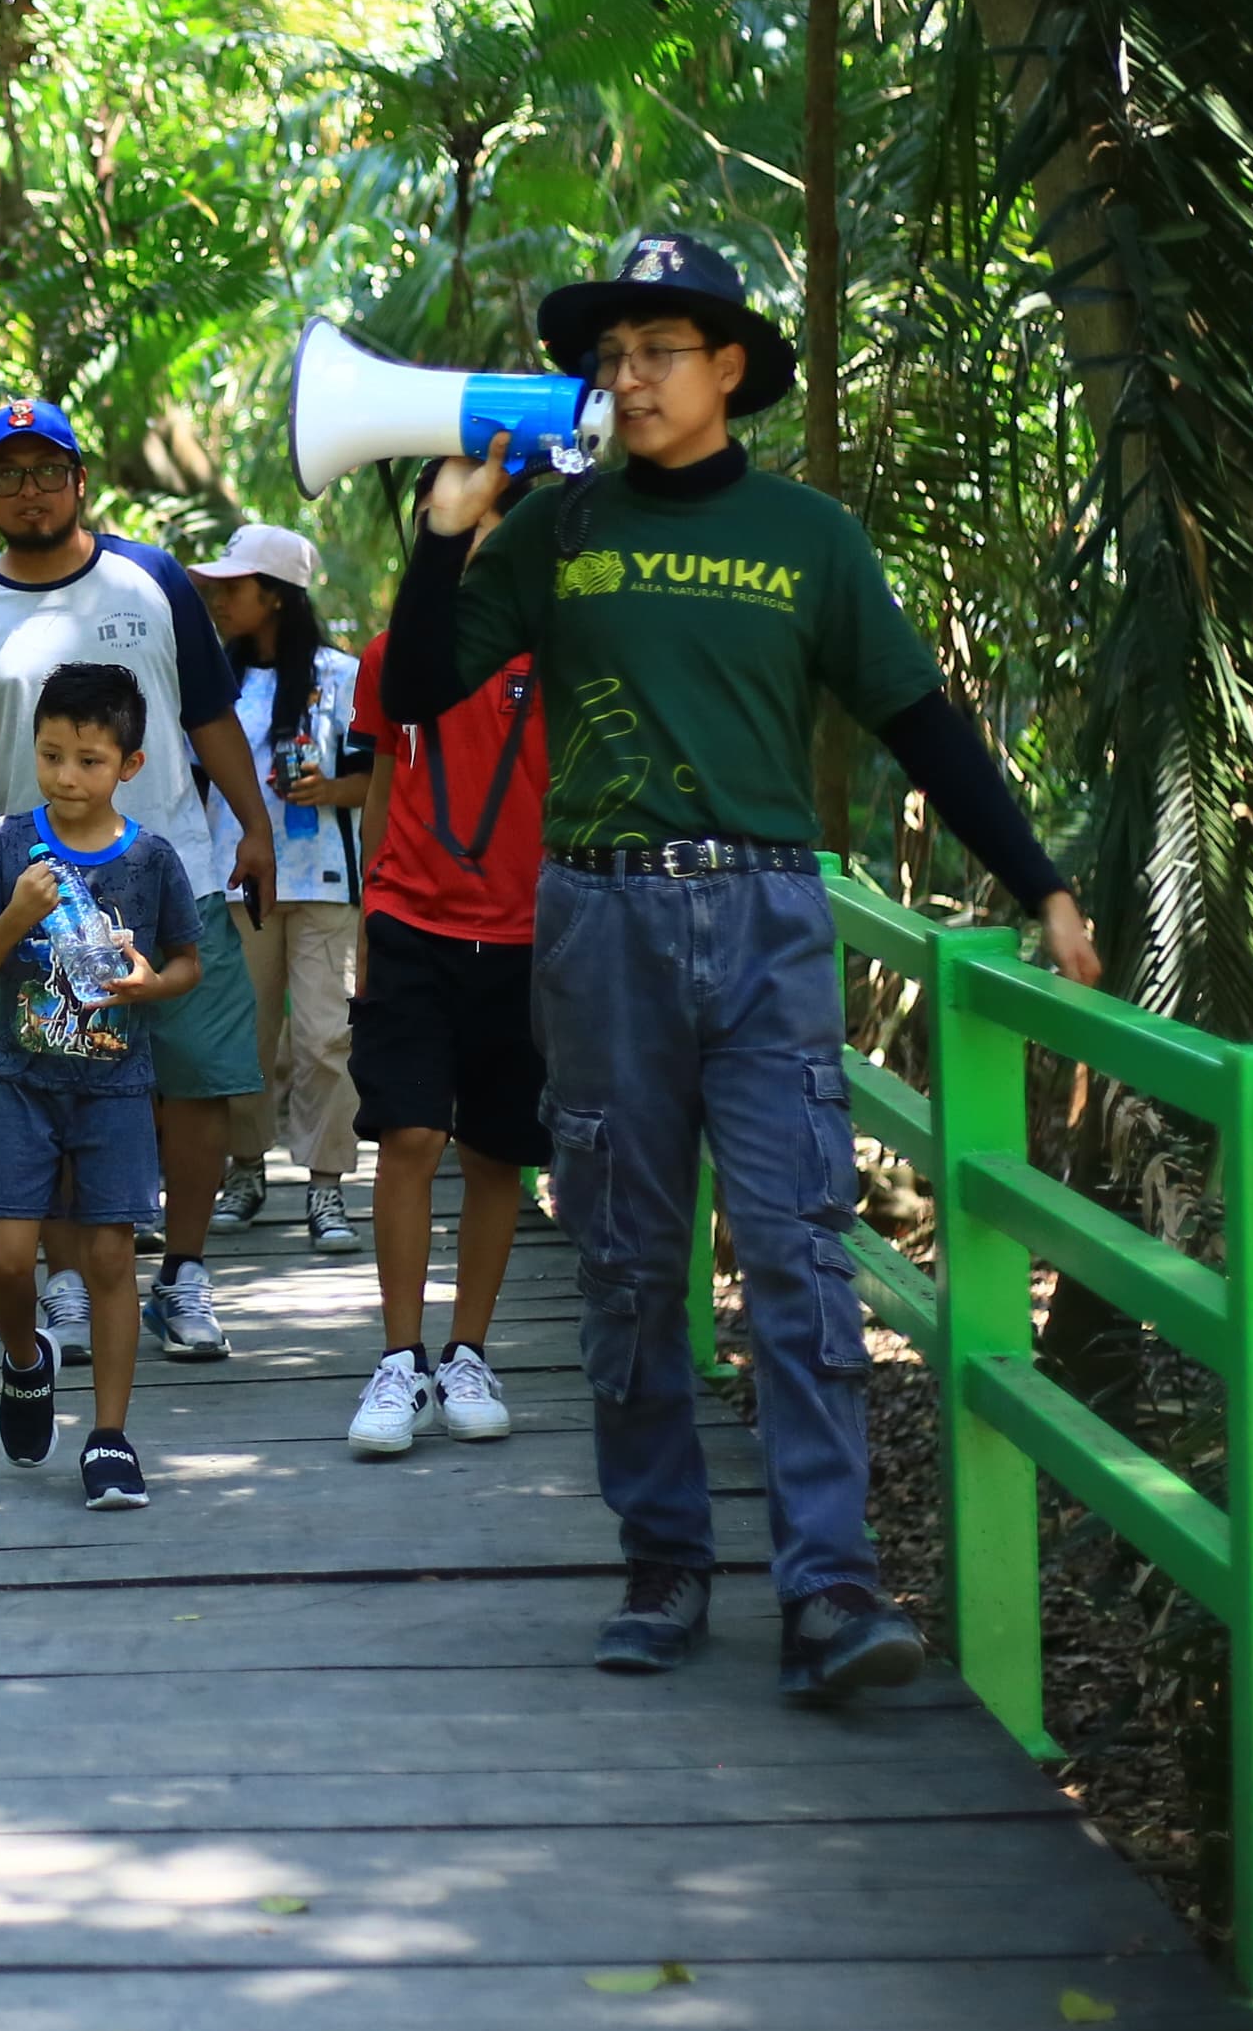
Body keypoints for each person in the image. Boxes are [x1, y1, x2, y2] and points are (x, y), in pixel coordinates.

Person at [404, 229, 1104, 1703]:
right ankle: (663, 1565)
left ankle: (831, 1591)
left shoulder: (808, 537)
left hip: (768, 914)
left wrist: (1034, 878)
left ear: (730, 368)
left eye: (663, 349)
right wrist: (442, 533)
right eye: (615, 351)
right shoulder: (558, 529)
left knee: (793, 1247)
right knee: (625, 1254)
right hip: (598, 920)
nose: (631, 374)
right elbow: (414, 690)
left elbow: (919, 719)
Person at [0, 398, 275, 1365]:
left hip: (174, 870)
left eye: (47, 470)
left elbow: (209, 715)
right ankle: (67, 1285)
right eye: (10, 476)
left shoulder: (151, 579)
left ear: (80, 479)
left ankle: (183, 1274)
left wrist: (257, 826)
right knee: (50, 1081)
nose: (31, 491)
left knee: (196, 1084)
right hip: (32, 901)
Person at [0, 663, 205, 1509]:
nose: (67, 776)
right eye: (52, 755)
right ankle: (27, 1361)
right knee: (6, 1256)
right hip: (19, 1082)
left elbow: (186, 965)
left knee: (109, 1257)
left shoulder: (153, 858)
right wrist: (19, 913)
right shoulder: (3, 846)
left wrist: (148, 984)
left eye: (90, 760)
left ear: (129, 765)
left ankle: (109, 1438)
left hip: (117, 1086)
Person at [341, 457, 553, 1457]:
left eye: (477, 512)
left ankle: (468, 1347)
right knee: (409, 1134)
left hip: (523, 930)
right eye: (441, 511)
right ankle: (398, 1358)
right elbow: (383, 781)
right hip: (410, 919)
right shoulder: (392, 655)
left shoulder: (556, 649)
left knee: (495, 1147)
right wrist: (364, 912)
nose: (459, 525)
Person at [190, 524, 366, 1250]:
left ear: (276, 596)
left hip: (324, 878)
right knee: (245, 1036)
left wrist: (332, 787)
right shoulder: (210, 681)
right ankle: (246, 1169)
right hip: (237, 880)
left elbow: (376, 777)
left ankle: (327, 1187)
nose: (221, 600)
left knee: (326, 1034)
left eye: (234, 587)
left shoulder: (342, 675)